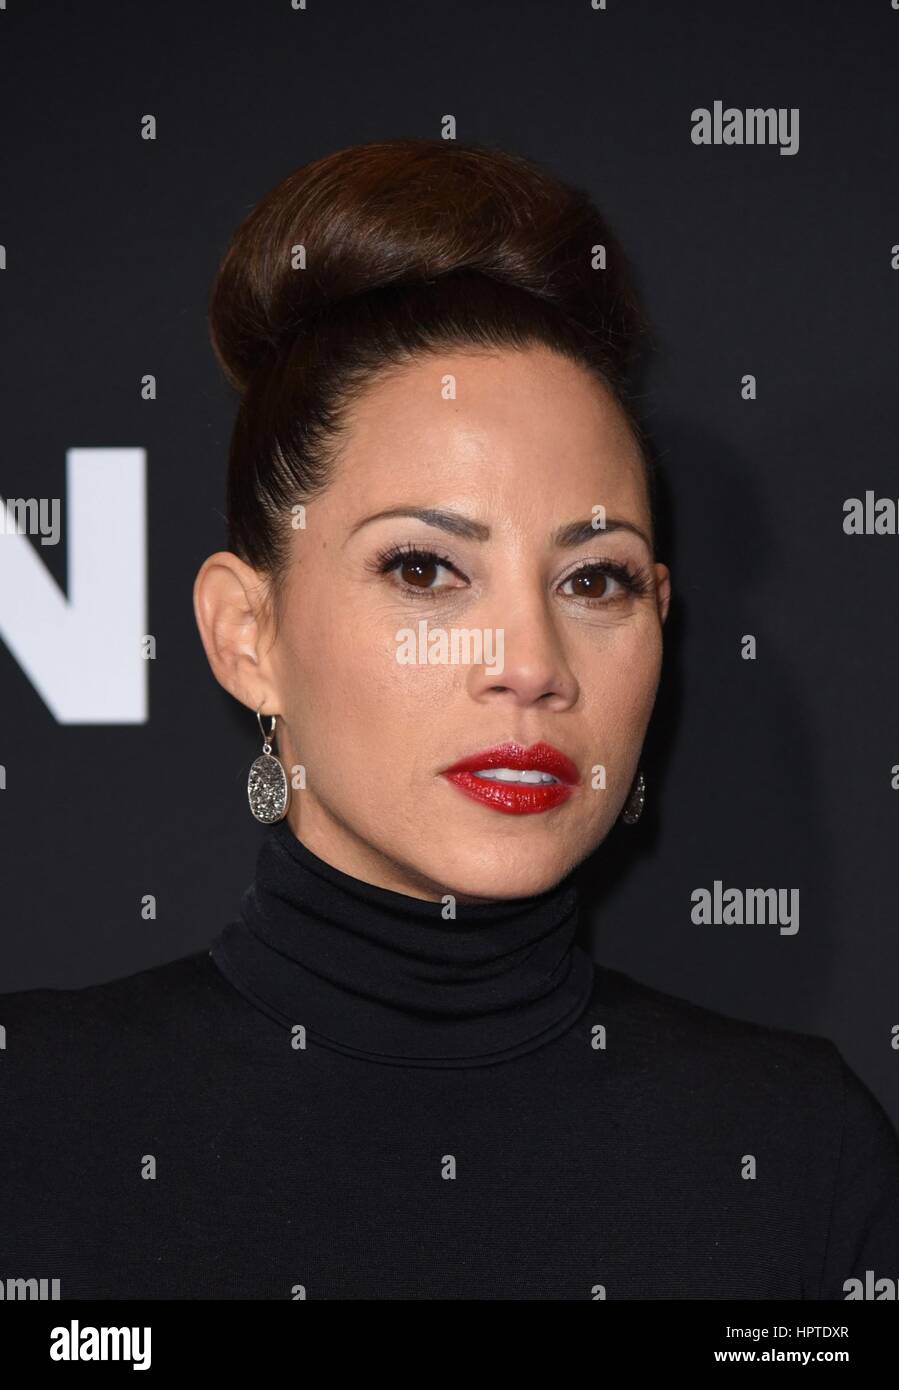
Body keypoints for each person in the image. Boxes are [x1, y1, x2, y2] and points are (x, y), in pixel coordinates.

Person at [2, 139, 897, 1299]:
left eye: (594, 580)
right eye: (424, 569)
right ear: (246, 636)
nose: (527, 665)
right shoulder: (32, 1119)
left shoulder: (795, 1157)